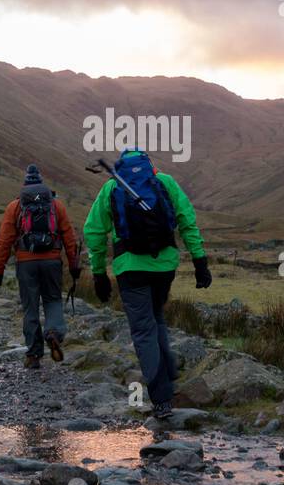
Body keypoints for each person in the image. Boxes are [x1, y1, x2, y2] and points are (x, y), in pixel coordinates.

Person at [83, 149, 211, 420]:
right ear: (149, 164)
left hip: (130, 268)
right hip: (165, 267)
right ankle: (169, 371)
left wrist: (98, 272)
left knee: (143, 330)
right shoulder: (165, 182)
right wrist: (200, 261)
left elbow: (93, 230)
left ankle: (162, 398)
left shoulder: (111, 187)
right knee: (156, 317)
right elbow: (187, 221)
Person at [0, 164, 81, 370]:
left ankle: (33, 355)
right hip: (51, 261)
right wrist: (74, 264)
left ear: (24, 187)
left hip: (26, 262)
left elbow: (4, 240)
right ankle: (53, 333)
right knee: (52, 300)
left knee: (30, 307)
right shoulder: (56, 206)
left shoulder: (15, 207)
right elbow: (69, 237)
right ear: (42, 184)